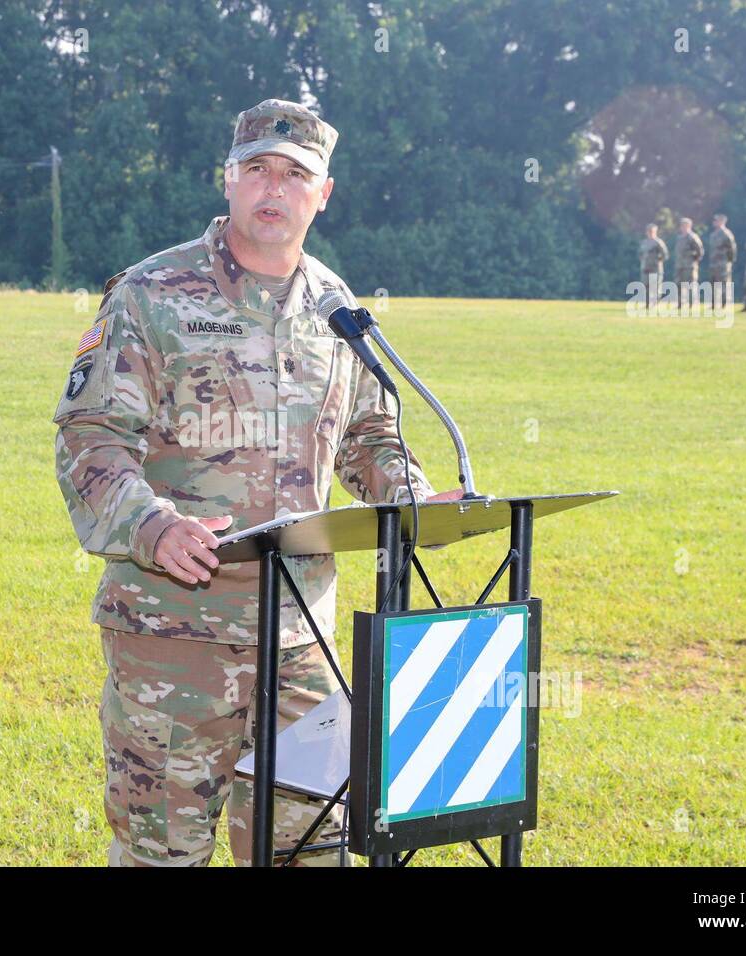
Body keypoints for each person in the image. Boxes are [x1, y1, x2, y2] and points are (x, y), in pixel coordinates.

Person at [52, 98, 463, 867]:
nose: (274, 188)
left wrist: (407, 492)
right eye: (257, 170)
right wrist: (152, 525)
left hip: (303, 640)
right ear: (228, 181)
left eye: (295, 174)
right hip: (175, 637)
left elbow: (371, 436)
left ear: (324, 192)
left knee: (312, 850)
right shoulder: (152, 294)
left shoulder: (339, 310)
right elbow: (93, 436)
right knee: (161, 854)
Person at [673, 217, 703, 310]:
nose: (683, 227)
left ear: (689, 226)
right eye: (682, 225)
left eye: (685, 225)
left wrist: (694, 261)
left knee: (690, 285)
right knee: (678, 285)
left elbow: (700, 251)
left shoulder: (692, 237)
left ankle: (692, 304)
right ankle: (680, 303)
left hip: (689, 266)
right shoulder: (680, 237)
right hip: (680, 265)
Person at [708, 214, 737, 307]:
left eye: (716, 220)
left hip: (723, 263)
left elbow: (732, 249)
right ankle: (713, 304)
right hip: (714, 264)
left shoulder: (727, 234)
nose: (714, 222)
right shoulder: (713, 235)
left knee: (724, 284)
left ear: (722, 222)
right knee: (713, 284)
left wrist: (729, 261)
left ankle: (724, 303)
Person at [639, 223, 668, 306]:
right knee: (645, 286)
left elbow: (665, 255)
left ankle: (655, 303)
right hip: (645, 268)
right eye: (649, 231)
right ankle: (647, 304)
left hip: (655, 268)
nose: (650, 233)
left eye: (652, 231)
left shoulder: (658, 242)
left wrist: (657, 261)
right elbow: (640, 254)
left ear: (655, 232)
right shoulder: (644, 242)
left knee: (655, 287)